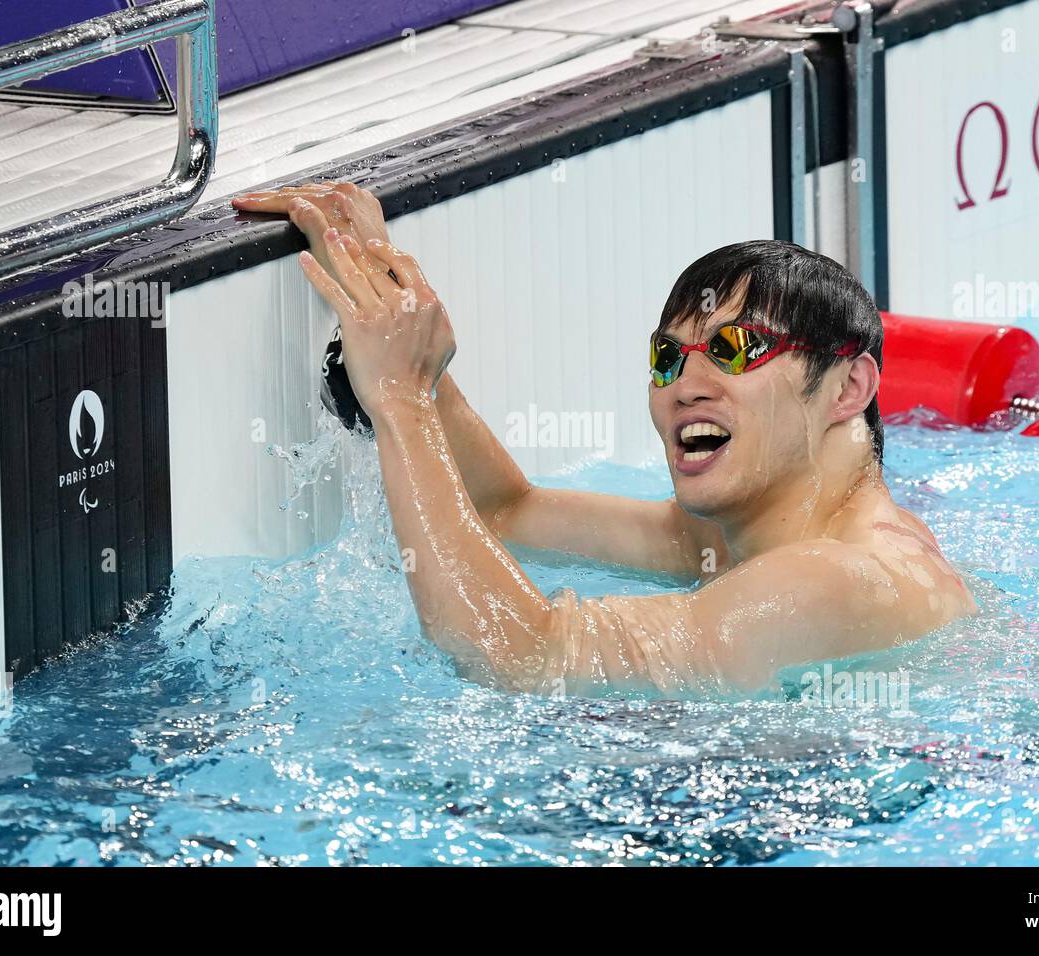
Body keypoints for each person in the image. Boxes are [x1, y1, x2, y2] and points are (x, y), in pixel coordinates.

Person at [231, 182, 977, 697]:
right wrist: (395, 320)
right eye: (667, 356)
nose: (685, 384)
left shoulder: (840, 577)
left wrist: (395, 399)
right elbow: (504, 514)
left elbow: (518, 657)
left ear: (848, 389)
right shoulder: (729, 538)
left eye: (735, 349)